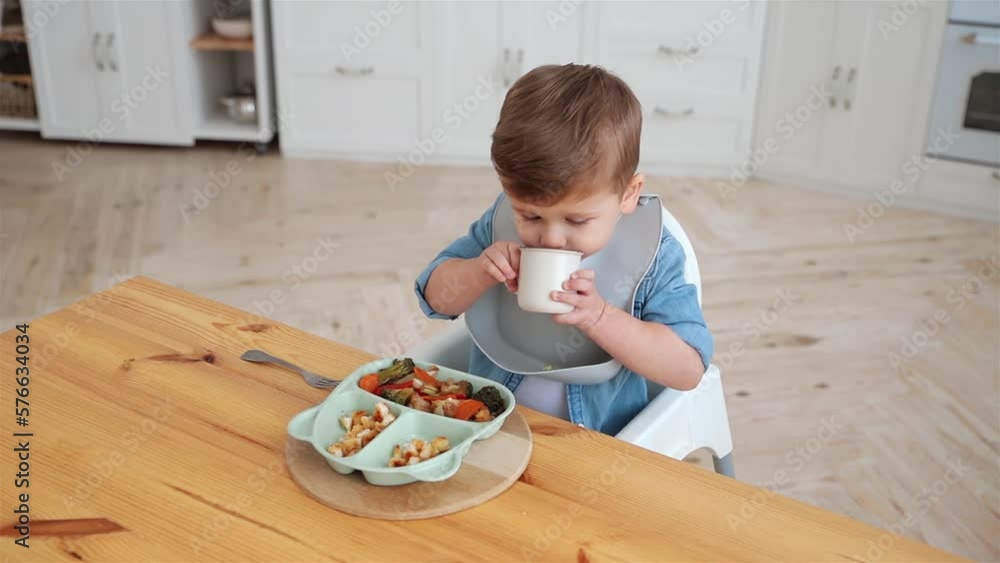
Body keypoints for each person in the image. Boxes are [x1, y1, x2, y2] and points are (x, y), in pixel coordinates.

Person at [414, 64, 713, 435]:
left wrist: (599, 318)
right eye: (531, 215)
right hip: (491, 428)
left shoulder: (655, 255)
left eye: (576, 221)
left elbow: (687, 369)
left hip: (596, 441)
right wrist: (478, 271)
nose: (551, 239)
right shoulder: (499, 226)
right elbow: (434, 298)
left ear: (628, 194)